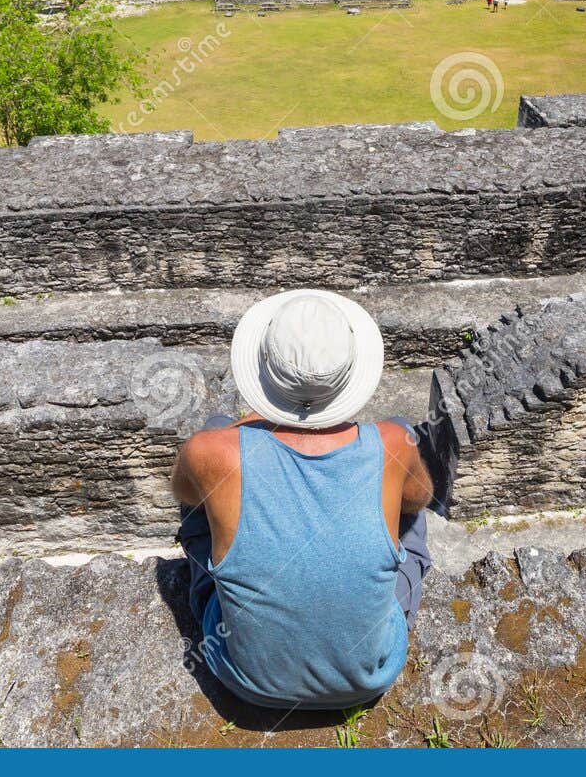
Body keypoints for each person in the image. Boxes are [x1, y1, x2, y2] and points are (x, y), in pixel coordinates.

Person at [173, 290, 434, 711]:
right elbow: (421, 498)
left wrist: (245, 429)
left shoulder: (210, 451)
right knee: (407, 498)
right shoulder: (392, 446)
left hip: (247, 681)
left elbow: (187, 497)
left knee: (211, 464)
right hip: (369, 678)